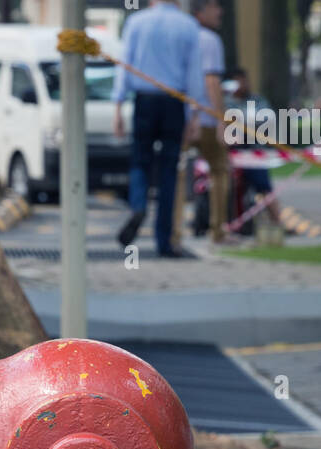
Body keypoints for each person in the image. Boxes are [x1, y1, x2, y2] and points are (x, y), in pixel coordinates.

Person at [112, 0, 206, 259]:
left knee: (139, 161)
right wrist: (194, 115)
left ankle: (138, 205)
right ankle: (164, 241)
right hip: (173, 102)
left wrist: (118, 106)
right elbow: (194, 74)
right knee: (169, 171)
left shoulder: (136, 22)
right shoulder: (188, 26)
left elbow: (125, 64)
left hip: (144, 99)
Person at [191, 0, 234, 246]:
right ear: (201, 10)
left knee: (177, 172)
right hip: (206, 118)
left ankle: (174, 233)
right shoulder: (209, 40)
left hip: (185, 115)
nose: (220, 11)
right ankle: (218, 230)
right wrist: (221, 119)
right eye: (215, 6)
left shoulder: (183, 36)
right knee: (220, 170)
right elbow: (211, 81)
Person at [229, 67, 285, 228]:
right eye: (237, 81)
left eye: (243, 81)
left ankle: (277, 222)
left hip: (253, 153)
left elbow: (267, 117)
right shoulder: (225, 101)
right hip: (230, 153)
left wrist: (239, 121)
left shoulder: (257, 100)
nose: (241, 85)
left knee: (264, 187)